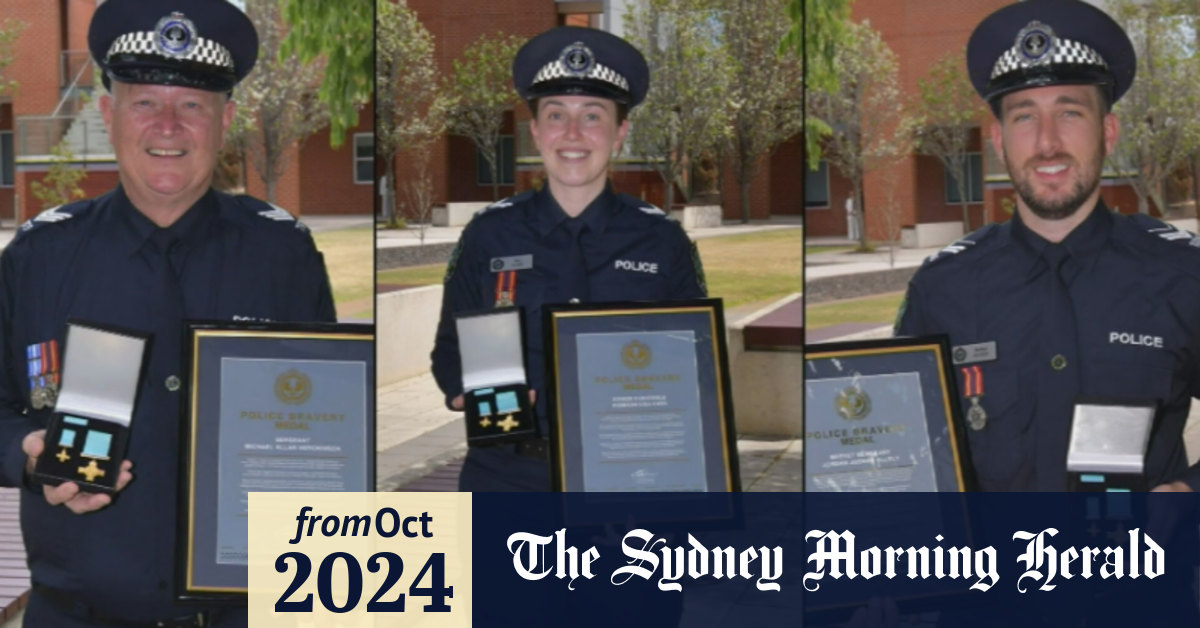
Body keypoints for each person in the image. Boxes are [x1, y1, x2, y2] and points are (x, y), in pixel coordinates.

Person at [0, 0, 335, 625]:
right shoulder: (38, 255)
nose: (168, 127)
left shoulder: (283, 255)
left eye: (192, 106)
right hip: (76, 613)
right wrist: (26, 449)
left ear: (226, 119)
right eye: (145, 102)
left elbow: (323, 418)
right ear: (108, 113)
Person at [896, 0, 1200, 493]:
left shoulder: (1183, 275)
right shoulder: (941, 288)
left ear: (1108, 132)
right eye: (1023, 117)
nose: (1047, 142)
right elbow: (901, 441)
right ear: (998, 139)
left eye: (1071, 112)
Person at [431, 26, 708, 492]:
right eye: (556, 114)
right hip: (509, 479)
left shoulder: (662, 241)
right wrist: (470, 389)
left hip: (630, 482)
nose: (573, 134)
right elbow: (451, 349)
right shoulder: (489, 234)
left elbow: (696, 365)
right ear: (536, 131)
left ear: (620, 133)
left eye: (593, 116)